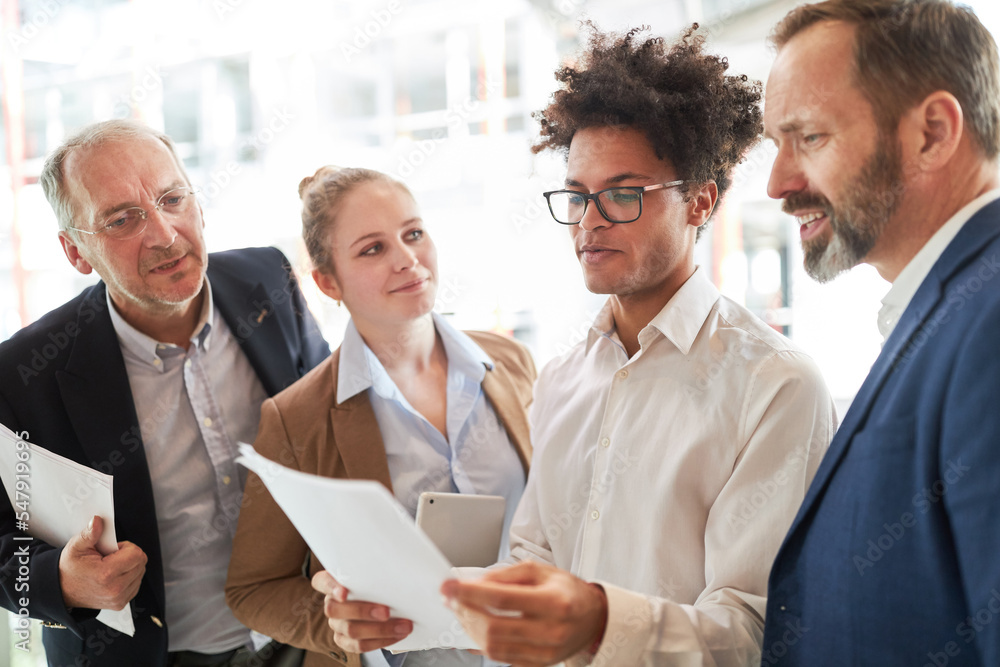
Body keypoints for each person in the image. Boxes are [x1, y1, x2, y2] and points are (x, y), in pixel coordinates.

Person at [315, 25, 836, 666]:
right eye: (579, 195)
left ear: (700, 202)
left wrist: (597, 623)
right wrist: (401, 610)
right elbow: (533, 563)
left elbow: (757, 632)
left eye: (621, 194)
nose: (590, 221)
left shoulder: (775, 386)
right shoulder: (563, 377)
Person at [0, 119, 331, 667]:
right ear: (76, 252)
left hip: (304, 635)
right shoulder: (21, 375)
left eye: (172, 199)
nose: (164, 234)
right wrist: (62, 581)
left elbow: (327, 429)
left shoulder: (268, 277)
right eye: (122, 219)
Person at [760, 1, 1000, 664]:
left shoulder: (989, 321)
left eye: (810, 137)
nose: (778, 183)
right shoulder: (947, 308)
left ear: (932, 134)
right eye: (775, 143)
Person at [224, 166, 536, 667]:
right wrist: (339, 625)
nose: (408, 259)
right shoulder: (295, 417)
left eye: (413, 234)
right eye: (373, 249)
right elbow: (254, 589)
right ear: (328, 282)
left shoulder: (511, 362)